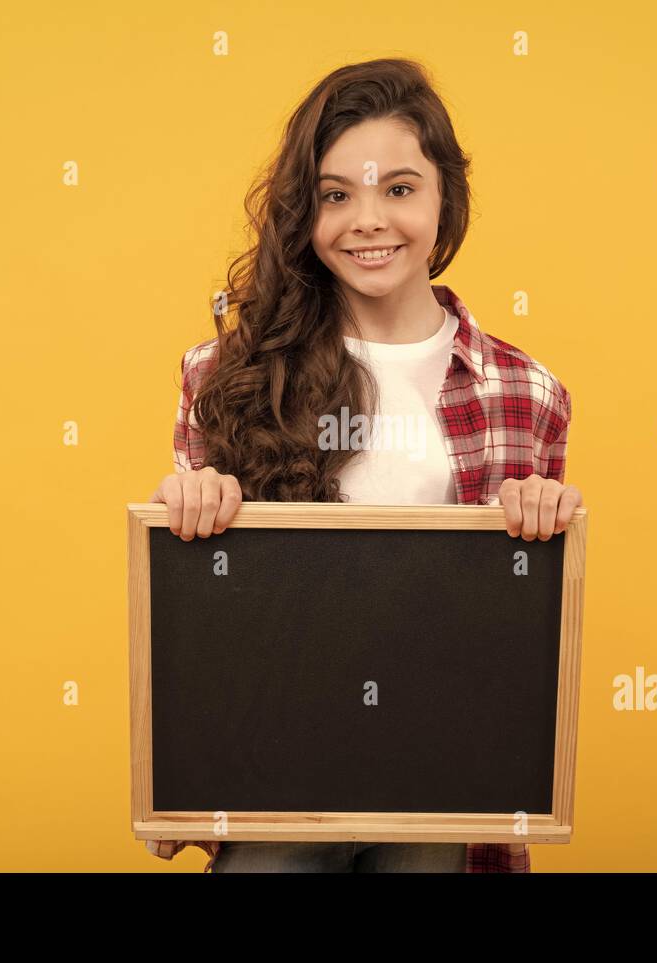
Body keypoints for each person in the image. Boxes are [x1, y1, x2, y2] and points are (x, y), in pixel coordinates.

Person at [147, 57, 580, 873]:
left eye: (400, 189)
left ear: (445, 195)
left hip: (441, 788)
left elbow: (521, 635)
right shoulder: (222, 375)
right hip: (275, 782)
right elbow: (202, 621)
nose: (368, 221)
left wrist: (537, 527)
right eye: (337, 194)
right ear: (303, 210)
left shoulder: (528, 392)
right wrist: (192, 502)